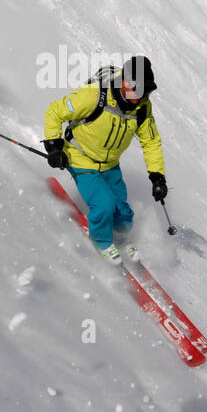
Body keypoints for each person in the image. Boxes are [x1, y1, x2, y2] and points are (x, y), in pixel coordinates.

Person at [43, 55, 167, 264]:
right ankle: (101, 241)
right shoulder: (95, 96)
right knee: (104, 204)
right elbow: (55, 111)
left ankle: (120, 238)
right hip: (81, 159)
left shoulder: (142, 108)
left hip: (110, 165)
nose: (141, 97)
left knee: (124, 216)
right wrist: (54, 146)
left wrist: (157, 177)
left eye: (146, 92)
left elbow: (151, 142)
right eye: (137, 91)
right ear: (125, 83)